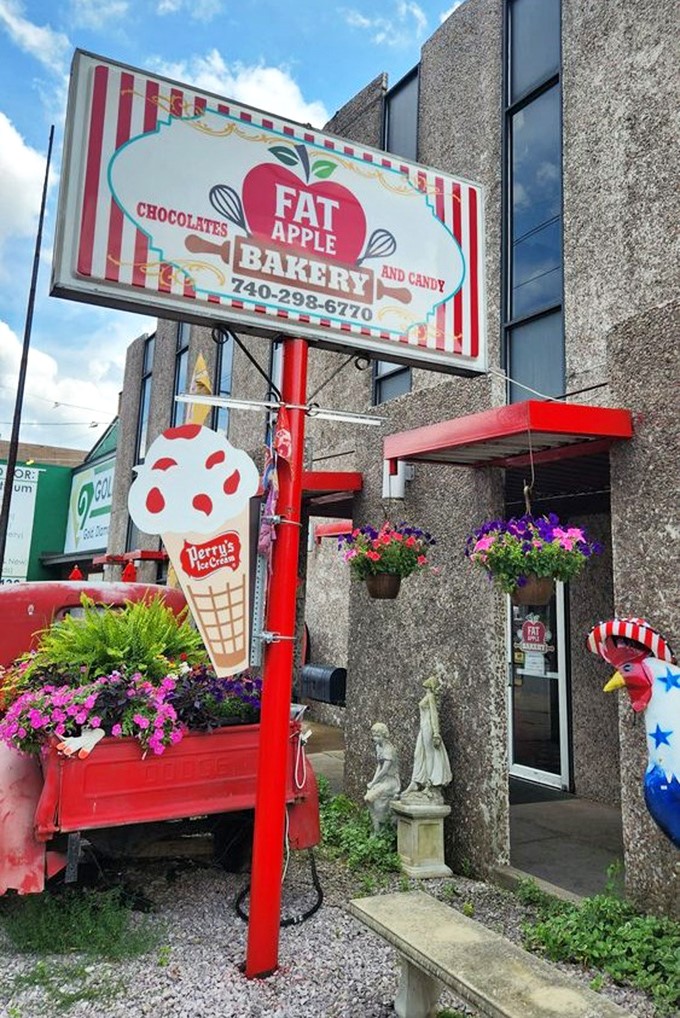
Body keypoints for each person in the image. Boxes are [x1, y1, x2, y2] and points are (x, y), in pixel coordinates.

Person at [402, 676, 452, 802]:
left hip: (428, 728)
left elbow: (434, 715)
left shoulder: (430, 697)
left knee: (430, 755)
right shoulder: (428, 696)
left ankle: (429, 784)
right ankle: (416, 781)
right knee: (418, 754)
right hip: (423, 728)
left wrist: (436, 732)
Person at [364, 722, 401, 831]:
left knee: (372, 799)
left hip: (391, 781)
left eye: (378, 736)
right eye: (374, 736)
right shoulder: (378, 747)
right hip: (382, 780)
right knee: (368, 798)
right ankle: (376, 827)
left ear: (384, 736)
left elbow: (385, 770)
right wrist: (373, 782)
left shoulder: (388, 750)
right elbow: (379, 767)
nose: (375, 739)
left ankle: (383, 826)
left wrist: (374, 782)